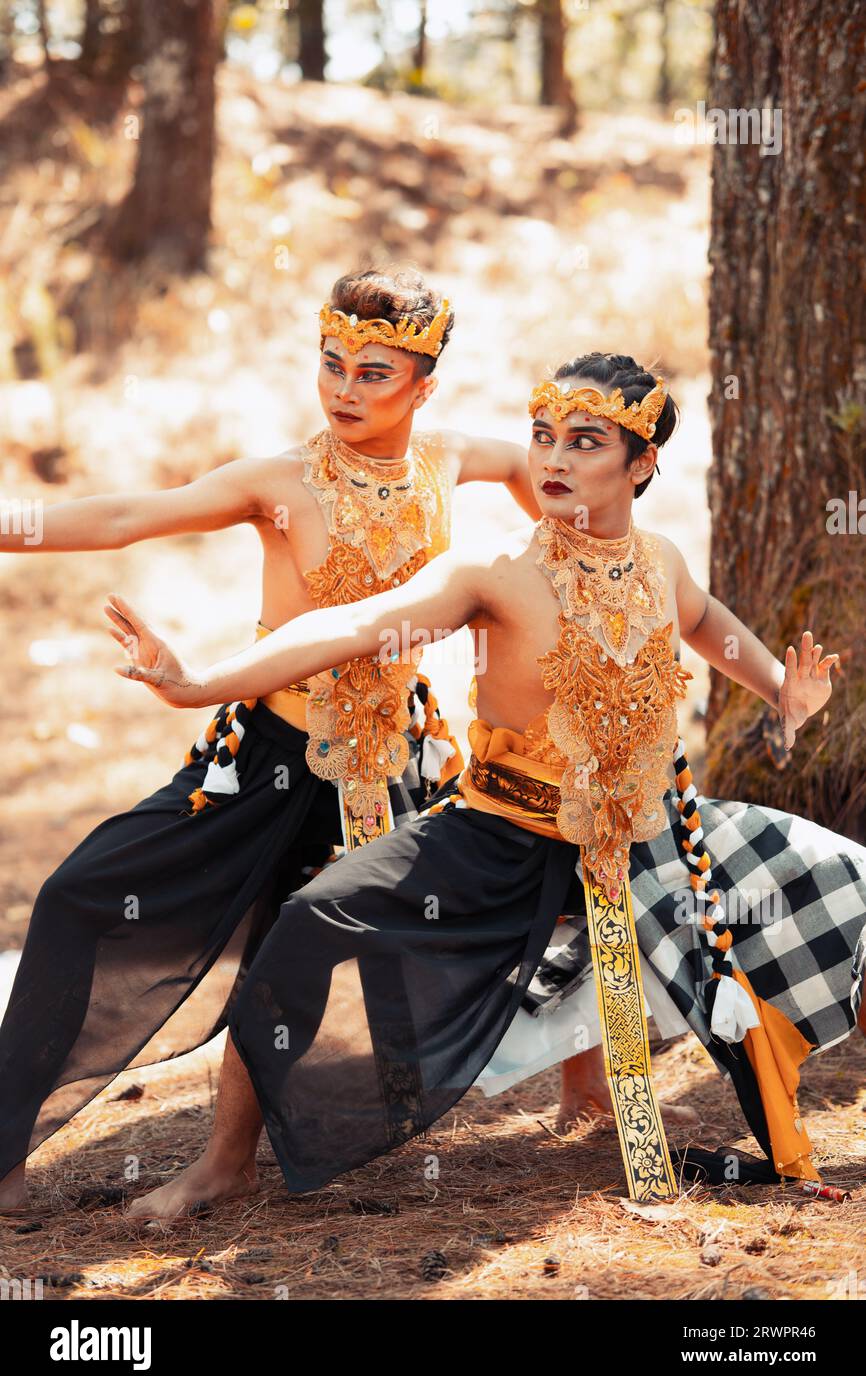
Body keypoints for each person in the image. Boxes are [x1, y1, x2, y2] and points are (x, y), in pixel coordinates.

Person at [106, 352, 866, 1216]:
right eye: (544, 436)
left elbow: (708, 627)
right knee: (310, 918)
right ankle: (222, 1165)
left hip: (646, 842)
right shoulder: (494, 568)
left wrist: (781, 689)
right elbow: (354, 625)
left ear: (642, 463)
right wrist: (201, 681)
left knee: (845, 883)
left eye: (585, 442)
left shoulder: (661, 562)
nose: (553, 459)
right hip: (501, 834)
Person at [0, 265, 541, 1214]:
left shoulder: (451, 456)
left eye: (374, 374)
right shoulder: (280, 482)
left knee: (291, 958)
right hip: (266, 764)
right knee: (82, 894)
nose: (343, 389)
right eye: (330, 364)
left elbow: (552, 477)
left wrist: (567, 577)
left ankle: (222, 1167)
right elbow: (127, 517)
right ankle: (4, 1153)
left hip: (395, 766)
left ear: (424, 384)